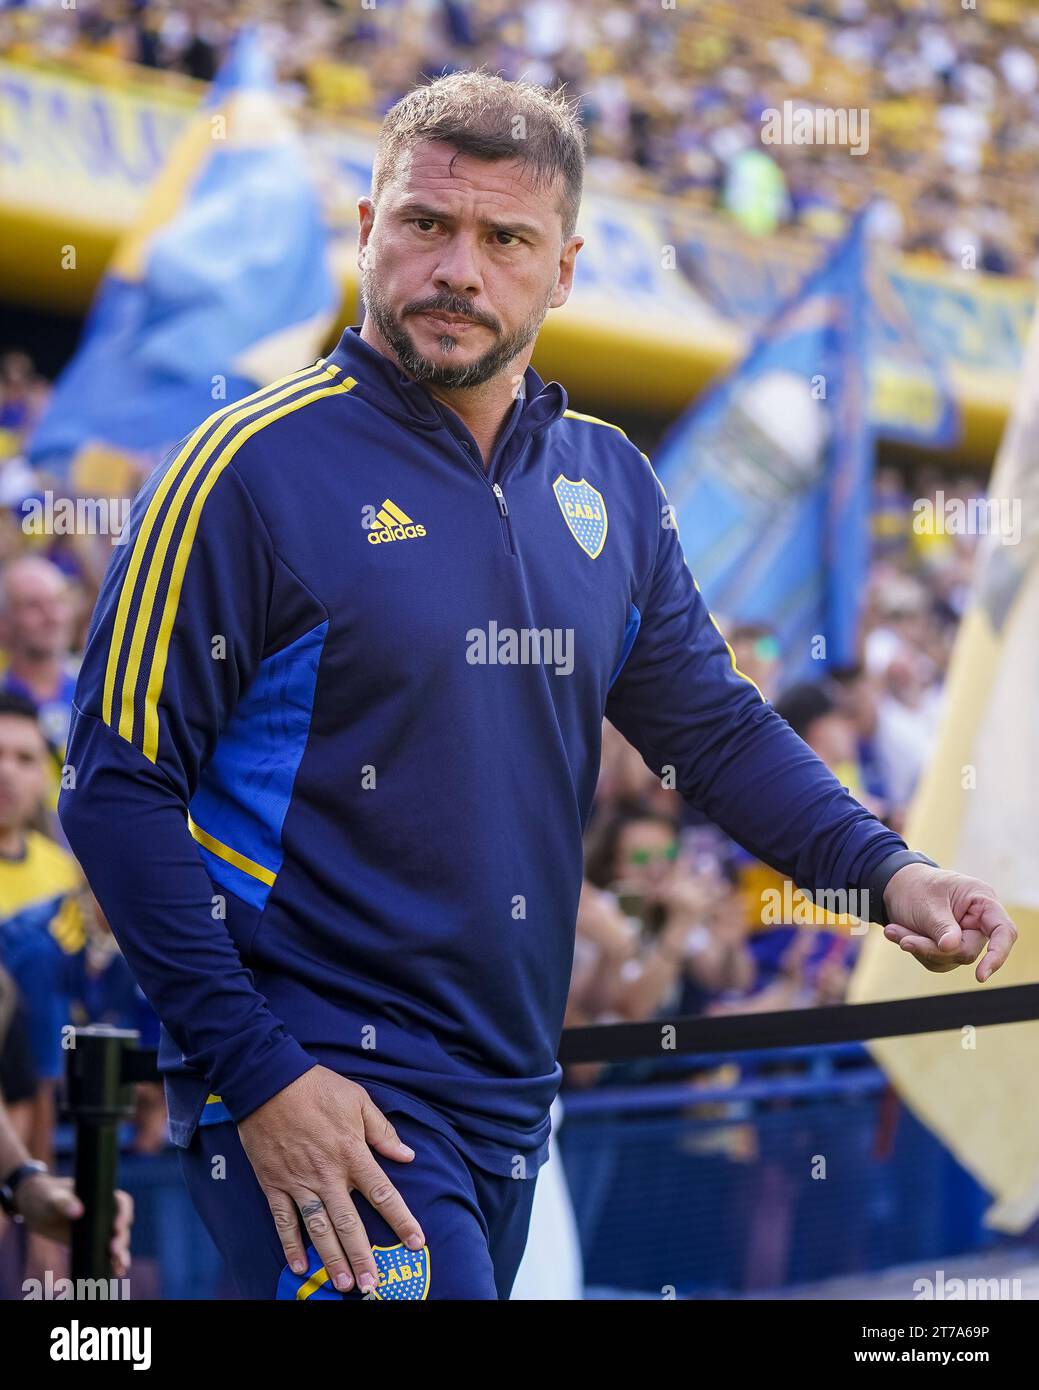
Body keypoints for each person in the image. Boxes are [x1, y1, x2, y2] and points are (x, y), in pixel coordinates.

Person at [58, 71, 1018, 1302]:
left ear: (561, 272)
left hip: (513, 1105)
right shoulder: (243, 471)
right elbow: (115, 795)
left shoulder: (609, 484)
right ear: (367, 233)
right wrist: (259, 1073)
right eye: (426, 226)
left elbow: (713, 731)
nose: (459, 268)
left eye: (504, 239)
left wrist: (886, 869)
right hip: (326, 1099)